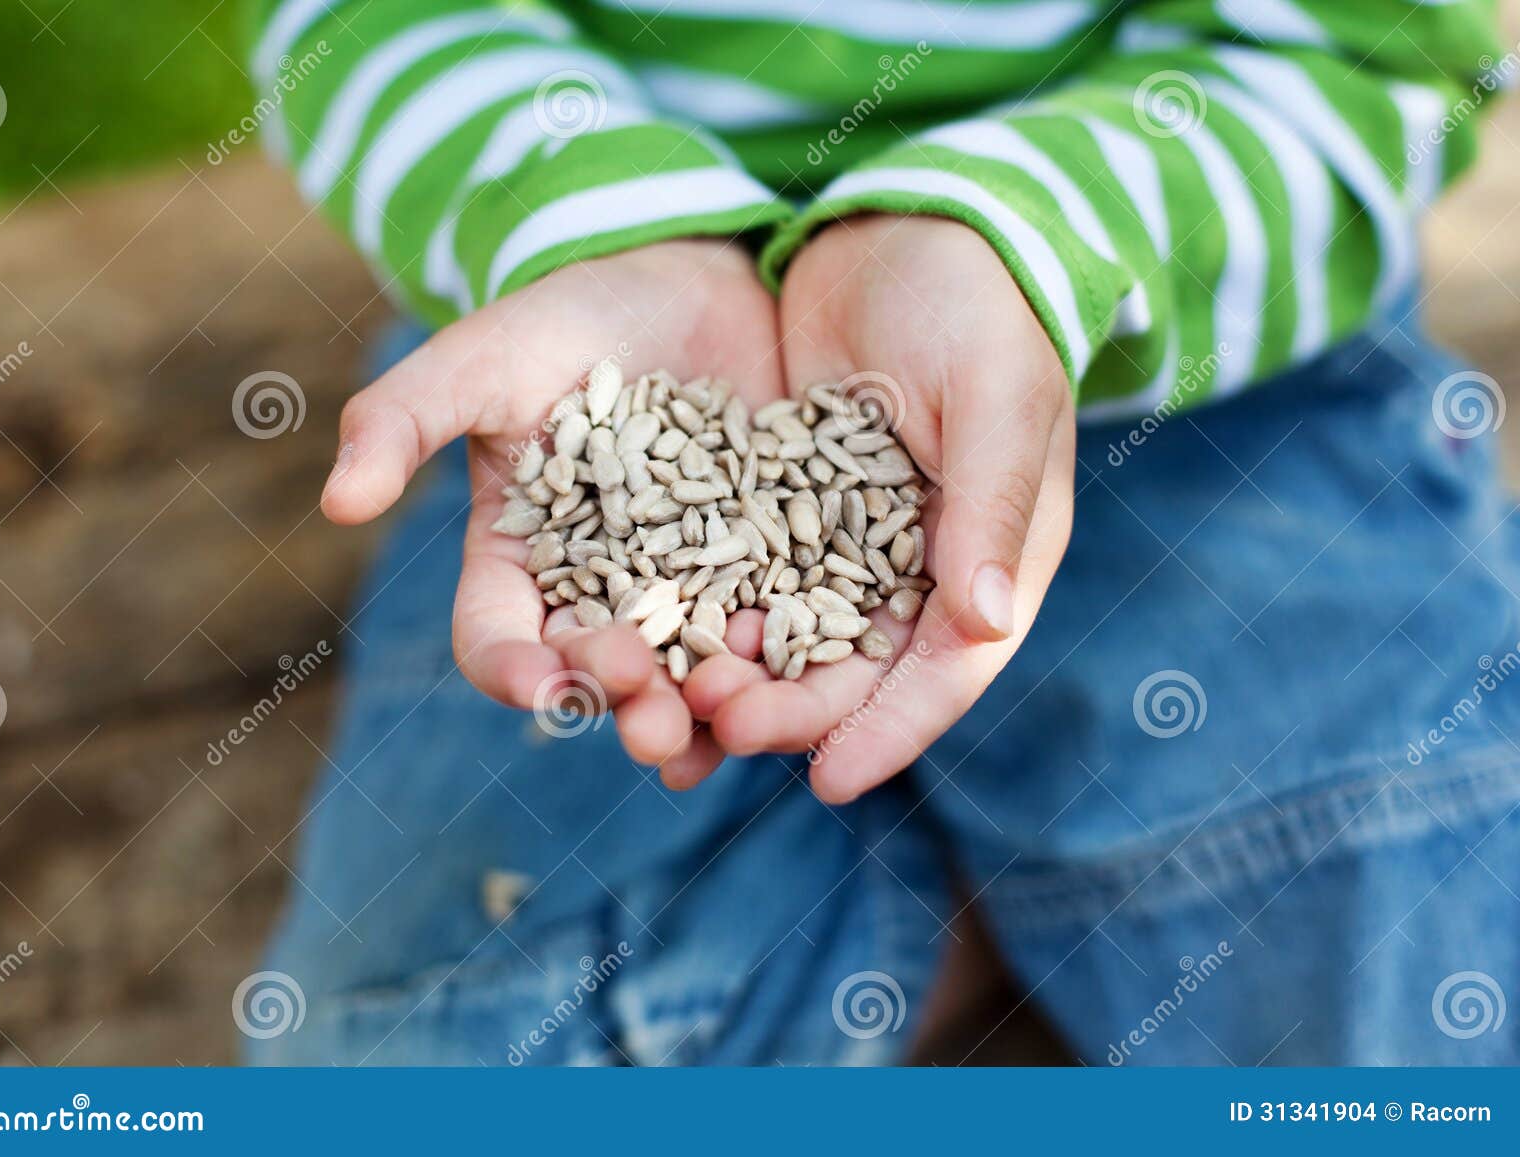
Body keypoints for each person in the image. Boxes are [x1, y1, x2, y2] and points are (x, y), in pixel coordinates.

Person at [245, 0, 1520, 1065]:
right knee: (398, 1056)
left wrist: (1019, 235)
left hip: (1186, 322)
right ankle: (939, 919)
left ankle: (953, 909)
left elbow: (1375, 50)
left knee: (1407, 998)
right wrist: (600, 218)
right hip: (588, 310)